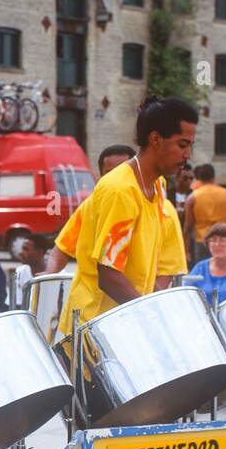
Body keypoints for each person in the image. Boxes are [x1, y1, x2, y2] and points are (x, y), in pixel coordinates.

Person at [61, 96, 198, 334]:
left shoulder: (156, 186)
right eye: (182, 144)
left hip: (125, 323)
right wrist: (150, 316)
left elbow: (142, 265)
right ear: (155, 139)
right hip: (94, 329)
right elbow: (109, 275)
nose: (189, 155)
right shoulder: (121, 190)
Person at [47, 145, 132, 273]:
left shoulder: (157, 207)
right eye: (109, 173)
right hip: (88, 292)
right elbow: (62, 248)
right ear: (100, 176)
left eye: (121, 172)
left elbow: (165, 267)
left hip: (137, 292)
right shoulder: (88, 207)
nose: (115, 179)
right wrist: (49, 272)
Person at [183, 163, 226, 262]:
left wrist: (186, 250)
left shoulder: (192, 198)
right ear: (214, 177)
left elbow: (188, 226)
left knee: (203, 273)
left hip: (202, 240)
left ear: (199, 178)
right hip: (224, 238)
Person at [12, 235, 48, 303]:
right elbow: (16, 305)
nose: (21, 253)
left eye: (26, 249)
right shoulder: (19, 272)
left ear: (40, 252)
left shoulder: (58, 275)